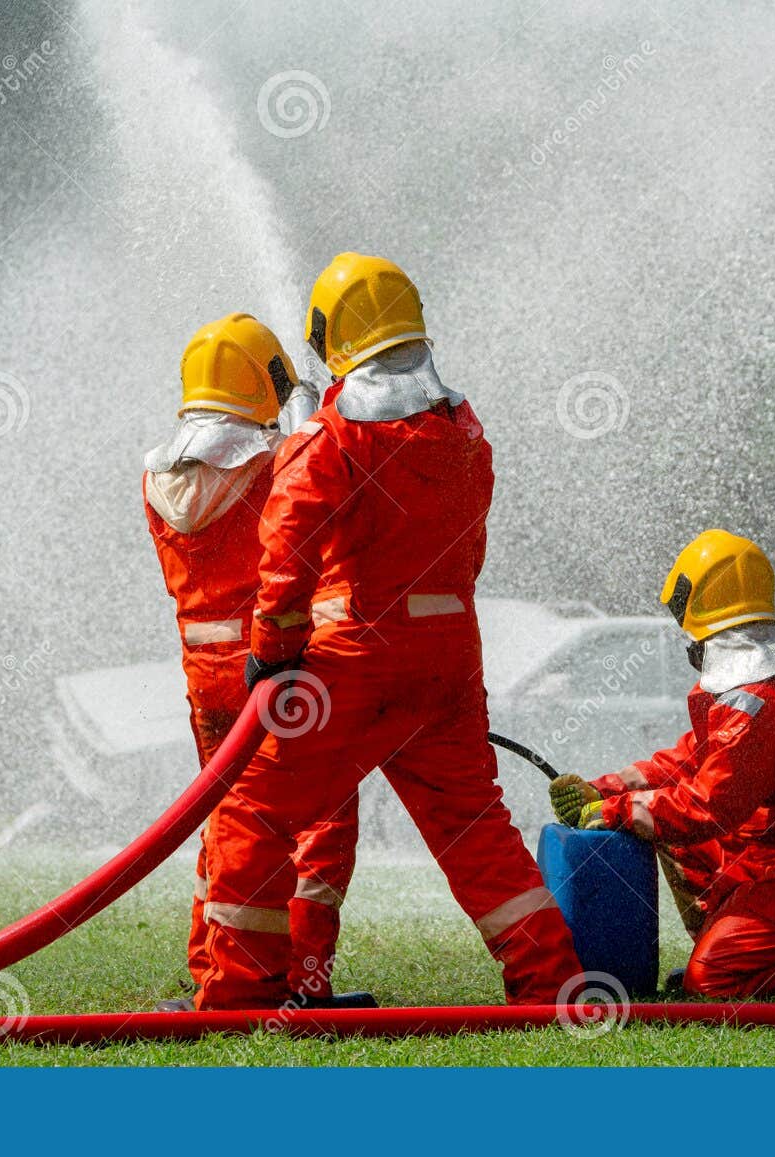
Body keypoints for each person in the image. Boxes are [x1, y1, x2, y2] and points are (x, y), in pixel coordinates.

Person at [195, 253, 583, 1009]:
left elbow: (287, 555)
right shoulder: (464, 431)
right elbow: (469, 554)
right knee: (475, 829)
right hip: (449, 662)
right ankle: (552, 982)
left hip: (354, 662)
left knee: (253, 810)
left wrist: (271, 653)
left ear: (329, 337)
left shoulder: (332, 439)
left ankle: (240, 993)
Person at [550, 529, 775, 998]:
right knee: (670, 831)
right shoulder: (770, 683)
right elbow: (691, 761)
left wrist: (618, 811)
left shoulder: (760, 700)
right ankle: (741, 946)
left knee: (714, 981)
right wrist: (606, 789)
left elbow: (710, 806)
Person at [143, 312, 363, 1009]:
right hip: (272, 672)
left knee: (226, 816)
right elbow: (306, 500)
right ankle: (302, 975)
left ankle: (211, 964)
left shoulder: (156, 480)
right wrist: (307, 414)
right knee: (322, 819)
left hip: (205, 679)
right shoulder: (273, 467)